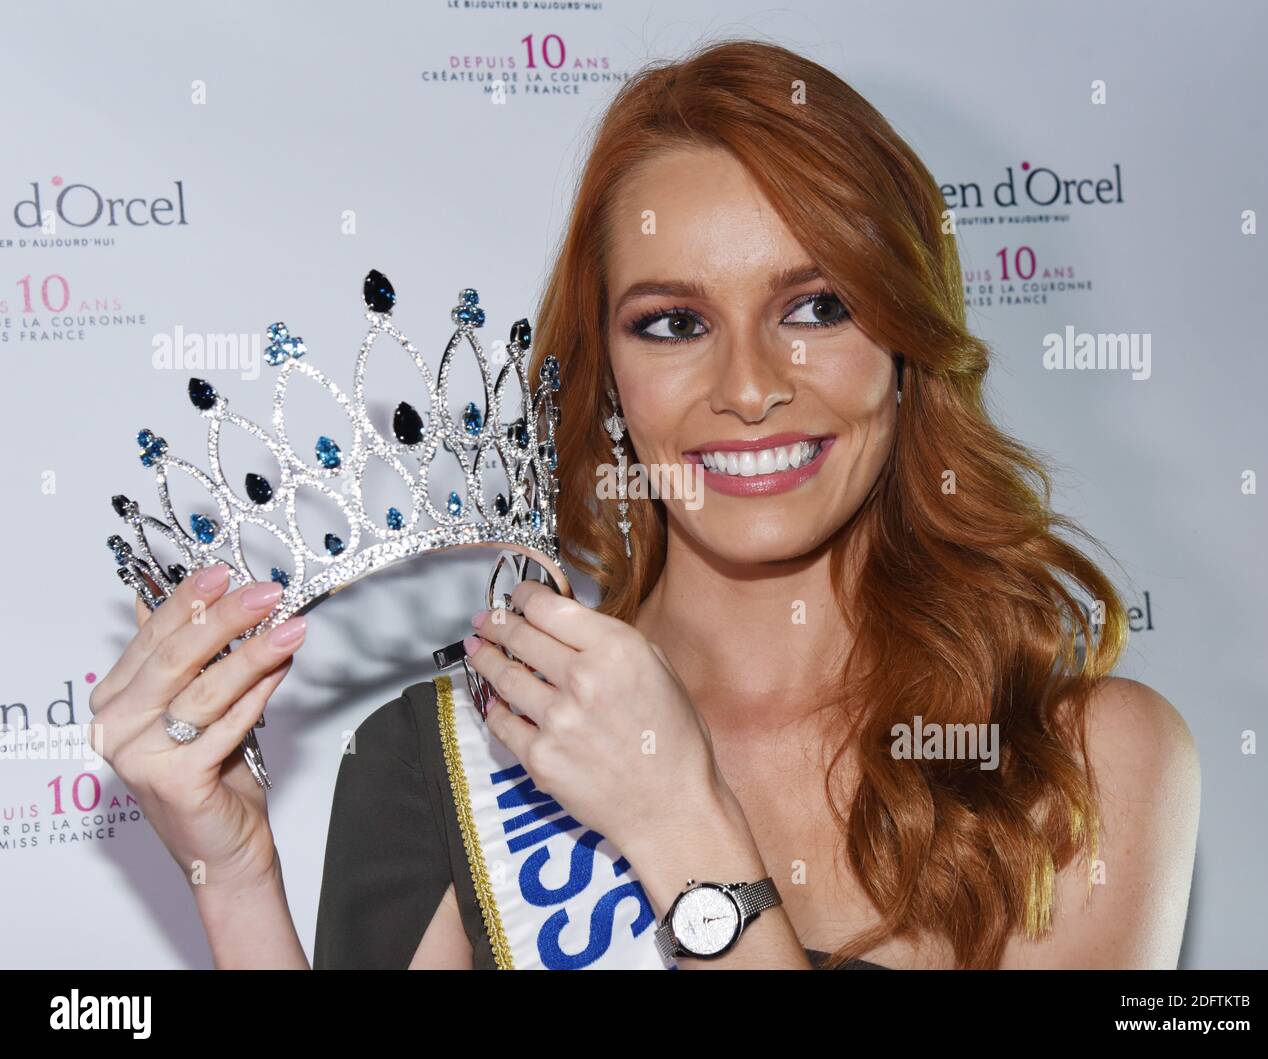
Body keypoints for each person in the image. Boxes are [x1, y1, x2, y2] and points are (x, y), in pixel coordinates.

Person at [89, 37, 1200, 970]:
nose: (751, 388)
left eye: (815, 306)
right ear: (606, 374)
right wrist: (231, 876)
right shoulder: (445, 759)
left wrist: (680, 827)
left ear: (904, 347)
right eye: (673, 322)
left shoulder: (1077, 765)